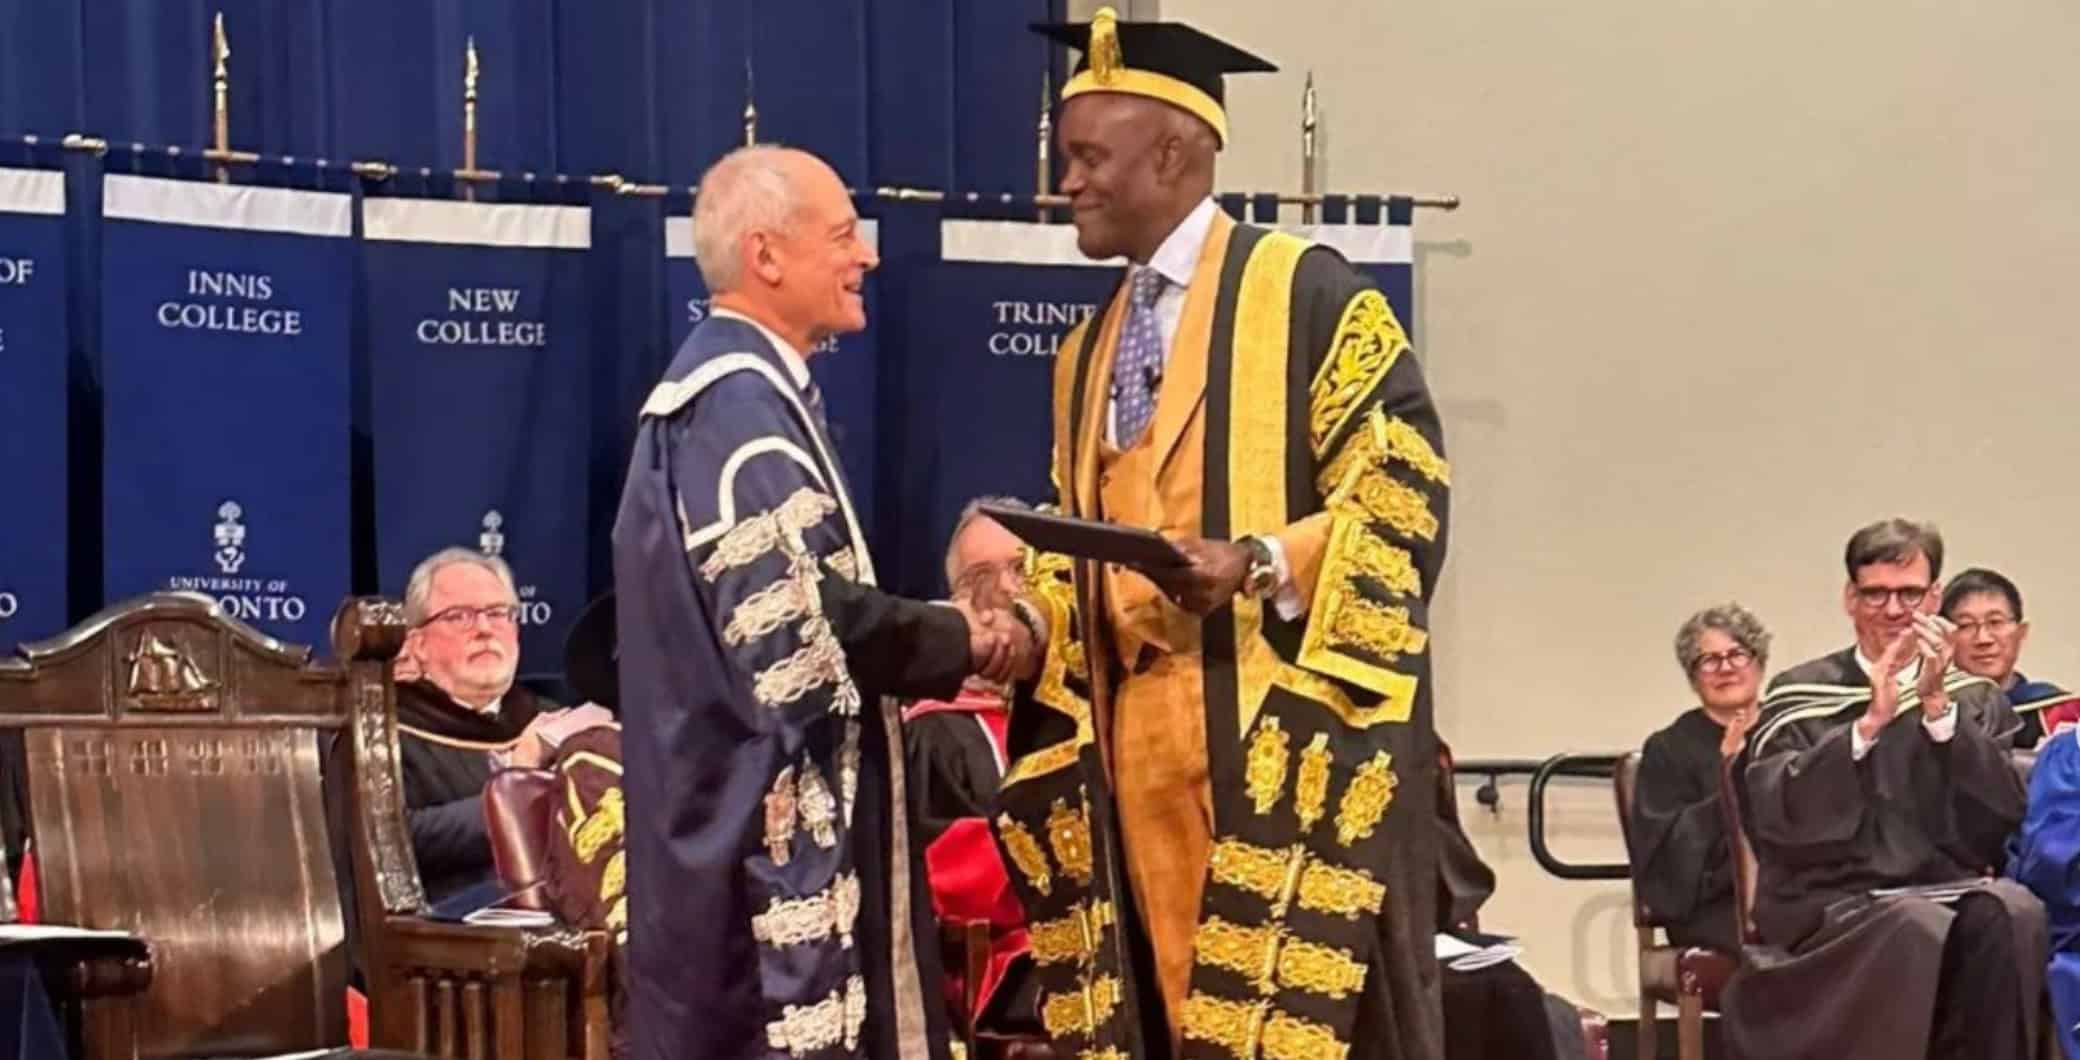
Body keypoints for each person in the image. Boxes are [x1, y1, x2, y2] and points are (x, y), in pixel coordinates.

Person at [997, 9, 1452, 1057]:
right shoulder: (1083, 352)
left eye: (1086, 156)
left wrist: (1256, 562)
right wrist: (1024, 608)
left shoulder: (1310, 294)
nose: (1066, 181)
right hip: (1131, 754)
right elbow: (1077, 549)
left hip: (1272, 744)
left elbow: (1402, 492)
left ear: (1172, 152)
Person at [611, 145, 1026, 1060]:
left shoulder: (750, 400)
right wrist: (968, 637)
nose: (867, 256)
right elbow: (806, 637)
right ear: (766, 256)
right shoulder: (733, 412)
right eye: (842, 235)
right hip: (754, 856)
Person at [1723, 518, 2044, 1060]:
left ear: (1935, 596)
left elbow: (2002, 814)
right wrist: (1868, 724)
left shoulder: (1971, 697)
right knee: (1912, 926)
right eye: (1876, 593)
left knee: (2015, 911)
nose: (1894, 611)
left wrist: (1939, 713)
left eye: (1910, 594)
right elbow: (1779, 818)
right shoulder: (1802, 692)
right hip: (1834, 899)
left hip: (1945, 884)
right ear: (1851, 597)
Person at [905, 498, 1041, 1036]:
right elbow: (957, 883)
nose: (1008, 590)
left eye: (1023, 569)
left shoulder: (1088, 713)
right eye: (982, 577)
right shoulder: (936, 730)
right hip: (1011, 966)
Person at [387, 547, 563, 909]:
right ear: (417, 643)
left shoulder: (554, 723)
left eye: (499, 613)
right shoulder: (387, 731)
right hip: (450, 940)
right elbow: (395, 842)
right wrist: (517, 781)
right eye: (459, 616)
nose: (484, 629)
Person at [1627, 603, 1769, 955]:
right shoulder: (1668, 749)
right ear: (1694, 677)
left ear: (1759, 662)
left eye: (1737, 654)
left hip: (1793, 892)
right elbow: (1669, 855)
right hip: (1713, 908)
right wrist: (1730, 776)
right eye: (1709, 660)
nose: (1726, 668)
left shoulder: (1790, 730)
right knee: (1781, 942)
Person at [1941, 567, 2077, 747]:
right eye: (1966, 625)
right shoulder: (1934, 711)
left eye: (1995, 622)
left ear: (2021, 632)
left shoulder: (2057, 712)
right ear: (1944, 636)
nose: (1983, 639)